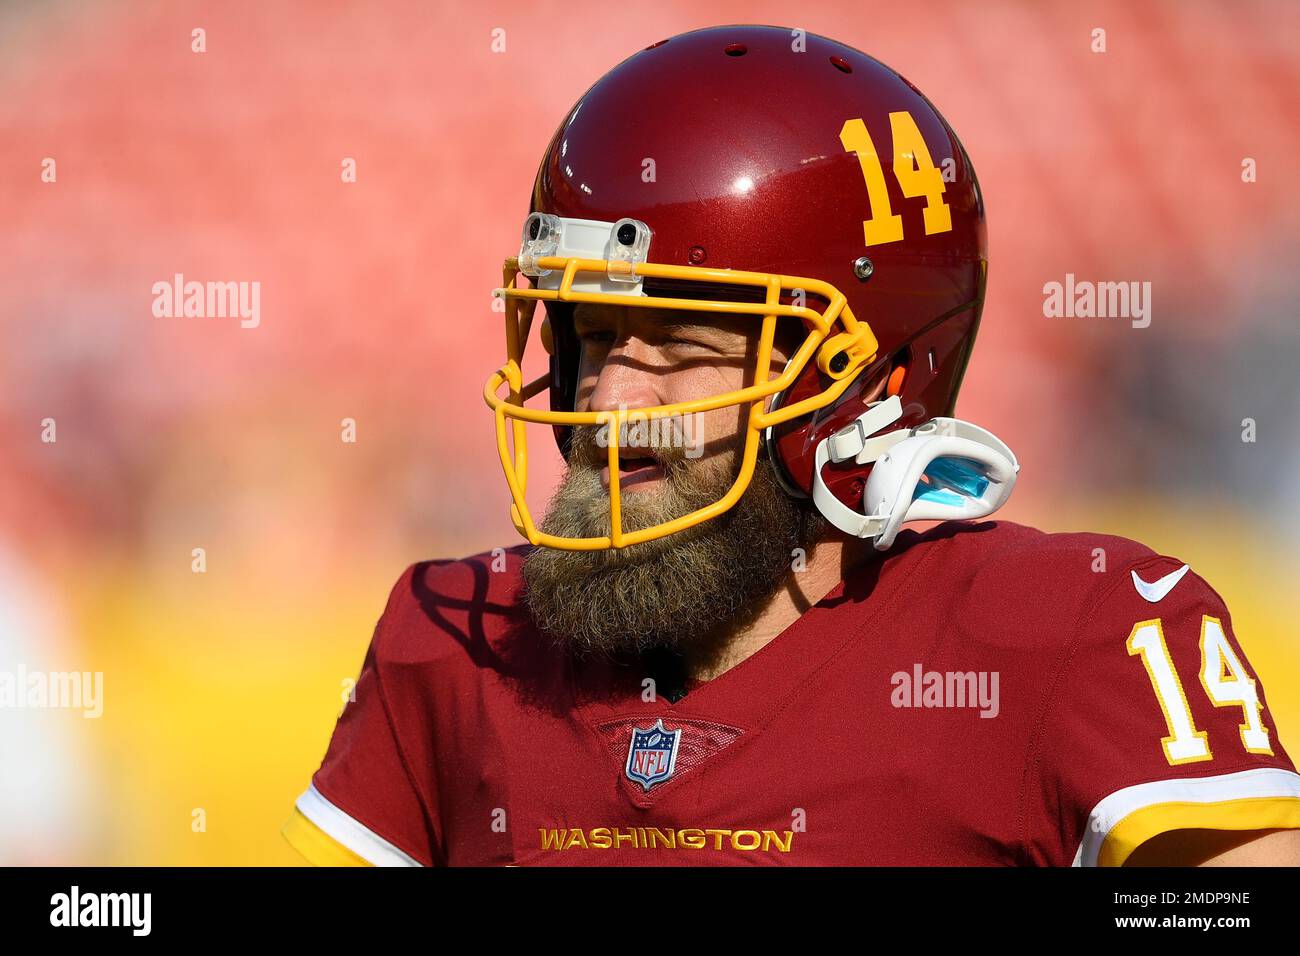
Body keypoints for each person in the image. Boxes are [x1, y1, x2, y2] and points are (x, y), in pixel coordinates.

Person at [284, 25, 1300, 866]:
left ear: (872, 380)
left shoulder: (1068, 630)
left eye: (682, 347)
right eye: (588, 338)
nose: (612, 399)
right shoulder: (457, 643)